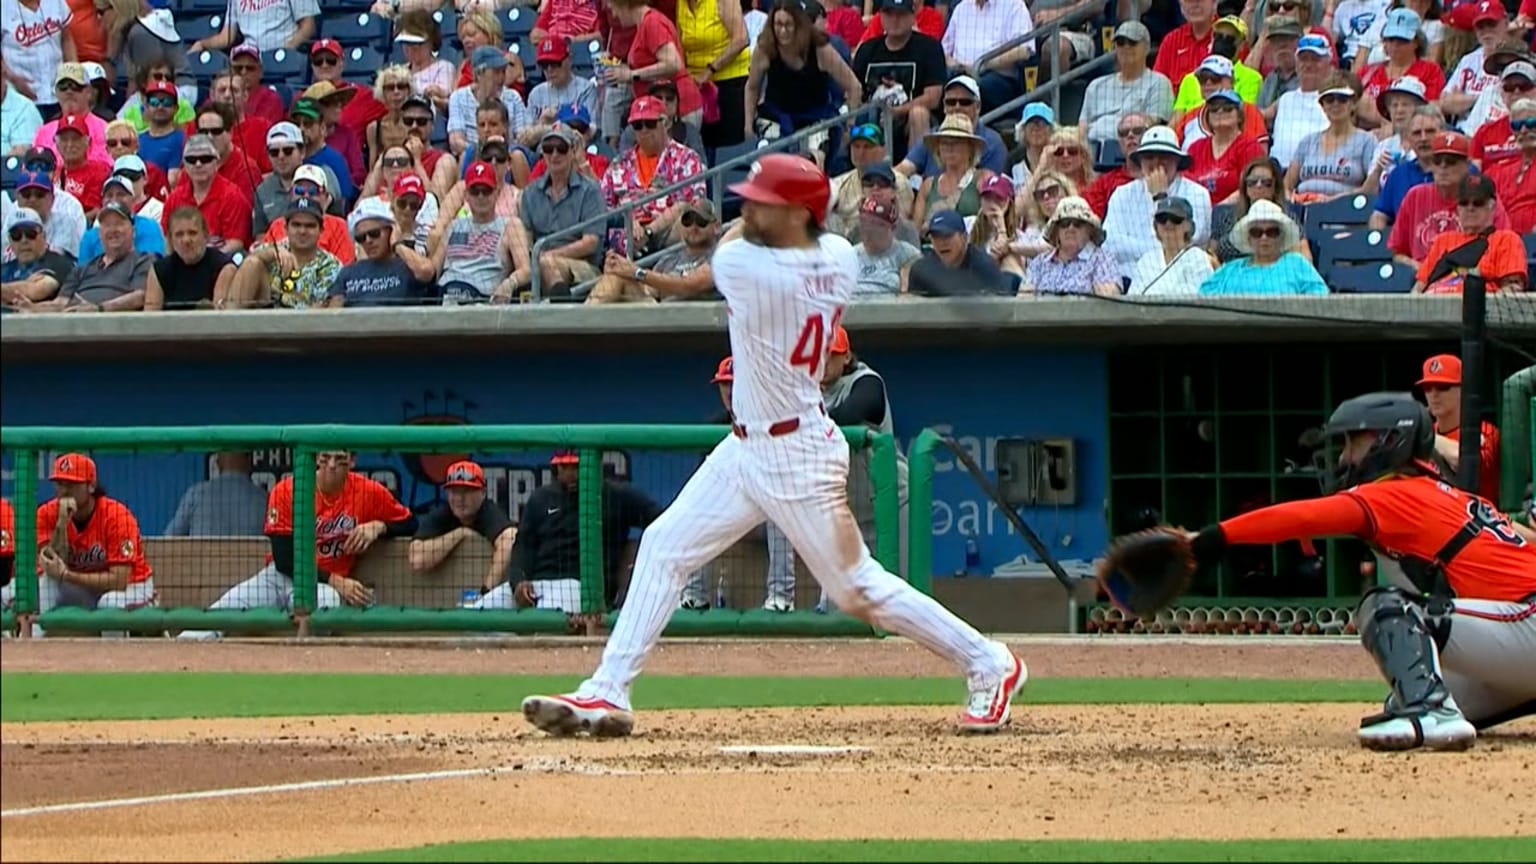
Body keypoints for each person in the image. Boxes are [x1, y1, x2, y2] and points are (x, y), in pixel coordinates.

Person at [520, 154, 1026, 739]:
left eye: (765, 202)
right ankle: (608, 689)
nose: (750, 209)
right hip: (749, 446)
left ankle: (991, 662)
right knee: (663, 546)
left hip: (793, 453)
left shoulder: (747, 268)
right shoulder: (836, 257)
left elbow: (730, 246)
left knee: (856, 587)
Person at [1147, 393, 1534, 750]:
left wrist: (1209, 539)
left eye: (1354, 443)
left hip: (1527, 624)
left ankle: (1431, 713)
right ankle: (1434, 705)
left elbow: (1300, 516)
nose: (1344, 458)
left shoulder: (1391, 493)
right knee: (1411, 684)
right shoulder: (1449, 496)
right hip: (1519, 639)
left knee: (1389, 607)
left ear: (1388, 441)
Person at [177, 450, 418, 641]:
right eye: (325, 458)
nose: (331, 465)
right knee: (219, 614)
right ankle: (178, 652)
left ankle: (304, 665)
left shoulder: (368, 492)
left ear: (352, 460)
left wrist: (378, 526)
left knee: (327, 605)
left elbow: (411, 522)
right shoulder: (288, 490)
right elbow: (284, 560)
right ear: (315, 459)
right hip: (280, 577)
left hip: (321, 588)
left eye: (340, 459)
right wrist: (337, 580)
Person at [3, 454, 156, 639]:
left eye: (72, 484)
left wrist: (67, 575)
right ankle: (35, 643)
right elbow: (52, 564)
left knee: (109, 604)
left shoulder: (117, 516)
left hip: (131, 588)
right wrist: (62, 524)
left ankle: (115, 660)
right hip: (81, 588)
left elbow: (119, 581)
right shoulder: (47, 513)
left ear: (91, 486)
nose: (64, 491)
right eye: (60, 484)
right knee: (15, 591)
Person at [503, 451, 663, 613]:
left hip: (579, 589)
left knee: (544, 616)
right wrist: (519, 581)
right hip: (535, 586)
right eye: (565, 467)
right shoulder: (541, 498)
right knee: (483, 608)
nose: (570, 474)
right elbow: (523, 546)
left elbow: (664, 522)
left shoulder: (617, 496)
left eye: (577, 467)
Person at [408, 460, 520, 602]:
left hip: (491, 596)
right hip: (443, 597)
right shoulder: (443, 513)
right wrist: (460, 534)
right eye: (454, 491)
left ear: (483, 492)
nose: (459, 498)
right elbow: (417, 559)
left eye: (467, 491)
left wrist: (486, 592)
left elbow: (510, 538)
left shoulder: (488, 511)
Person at [1103, 125, 1213, 267]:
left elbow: (1181, 245)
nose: (1156, 162)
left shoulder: (1198, 194)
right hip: (1127, 277)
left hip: (1179, 274)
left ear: (1177, 160)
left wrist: (1160, 198)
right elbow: (1110, 244)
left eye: (1164, 156)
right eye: (1149, 157)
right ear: (1140, 162)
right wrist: (1157, 249)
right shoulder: (1122, 194)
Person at [1412, 174, 1528, 295]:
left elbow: (1513, 290)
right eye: (1464, 202)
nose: (1470, 208)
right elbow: (1419, 286)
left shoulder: (1506, 239)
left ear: (1492, 207)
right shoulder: (1442, 240)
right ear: (1457, 207)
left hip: (1477, 308)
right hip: (1434, 305)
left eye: (1477, 203)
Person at [1415, 353, 1502, 505]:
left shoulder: (1486, 431)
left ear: (1464, 390)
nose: (1434, 394)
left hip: (1477, 519)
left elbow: (1464, 463)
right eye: (1428, 388)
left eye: (1443, 387)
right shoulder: (1425, 432)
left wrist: (1425, 434)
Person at [1201, 199, 1328, 295]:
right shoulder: (1230, 269)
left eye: (1272, 232)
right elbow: (1203, 298)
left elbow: (1319, 297)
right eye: (1256, 232)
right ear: (1248, 238)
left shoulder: (1296, 263)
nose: (1264, 238)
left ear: (1281, 236)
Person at [1019, 195, 1122, 297]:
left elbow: (1108, 304)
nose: (1070, 228)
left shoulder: (1102, 260)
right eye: (1065, 223)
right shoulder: (1039, 263)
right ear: (1056, 230)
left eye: (1078, 223)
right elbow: (1022, 304)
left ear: (1089, 229)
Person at [145, 206, 235, 310]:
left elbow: (219, 318)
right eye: (179, 235)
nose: (186, 240)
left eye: (192, 233)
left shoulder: (223, 267)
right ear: (170, 239)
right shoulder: (159, 270)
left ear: (206, 235)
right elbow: (150, 318)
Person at [907, 208, 1011, 295]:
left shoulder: (984, 267)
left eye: (947, 236)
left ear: (964, 238)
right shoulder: (921, 271)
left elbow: (1002, 309)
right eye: (936, 237)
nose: (941, 243)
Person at [163, 452, 268, 536]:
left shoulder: (196, 494)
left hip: (203, 562)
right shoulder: (266, 500)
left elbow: (168, 539)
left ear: (217, 463)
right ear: (249, 460)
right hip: (252, 563)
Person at [1127, 195, 1214, 295]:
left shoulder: (1198, 259)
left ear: (1188, 225)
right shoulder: (1146, 261)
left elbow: (1199, 298)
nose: (1168, 223)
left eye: (1175, 219)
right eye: (1162, 219)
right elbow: (1133, 300)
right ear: (1155, 226)